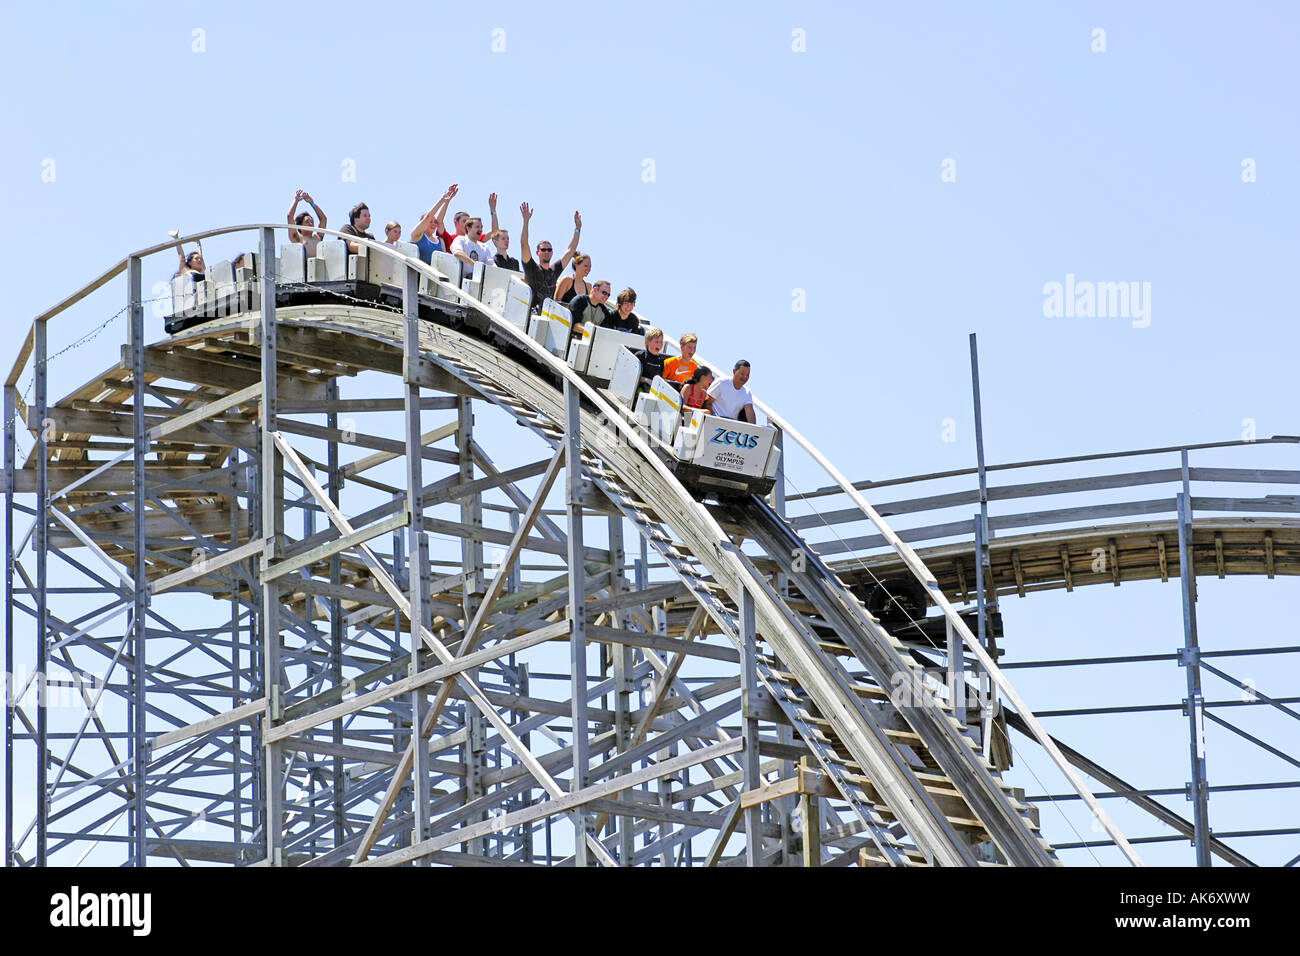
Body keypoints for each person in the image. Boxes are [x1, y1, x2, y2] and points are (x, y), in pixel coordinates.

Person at [519, 203, 581, 310]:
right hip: (531, 312)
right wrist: (526, 221)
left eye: (549, 250)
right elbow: (524, 244)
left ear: (552, 252)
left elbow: (571, 251)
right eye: (543, 250)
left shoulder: (554, 270)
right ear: (537, 253)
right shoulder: (531, 267)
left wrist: (577, 228)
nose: (546, 252)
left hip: (548, 314)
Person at [409, 184, 456, 263]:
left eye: (435, 222)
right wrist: (442, 200)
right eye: (430, 222)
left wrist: (447, 201)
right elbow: (428, 216)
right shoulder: (416, 235)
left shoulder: (440, 240)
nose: (434, 224)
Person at [707, 360, 756, 424]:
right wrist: (715, 416)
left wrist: (754, 430)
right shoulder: (722, 382)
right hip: (714, 420)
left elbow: (750, 413)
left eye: (747, 375)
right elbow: (706, 403)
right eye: (742, 374)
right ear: (734, 371)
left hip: (731, 426)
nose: (745, 377)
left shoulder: (747, 392)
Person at [287, 190, 328, 257]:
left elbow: (323, 219)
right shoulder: (297, 237)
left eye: (312, 222)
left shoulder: (317, 237)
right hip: (304, 266)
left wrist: (312, 203)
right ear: (300, 225)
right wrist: (296, 201)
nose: (310, 224)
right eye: (307, 222)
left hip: (318, 266)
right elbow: (290, 216)